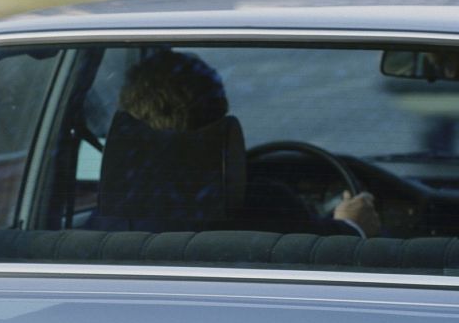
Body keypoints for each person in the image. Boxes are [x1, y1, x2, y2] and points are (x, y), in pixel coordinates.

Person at [116, 50, 379, 236]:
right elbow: (318, 256)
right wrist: (352, 226)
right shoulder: (263, 205)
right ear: (221, 126)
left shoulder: (109, 217)